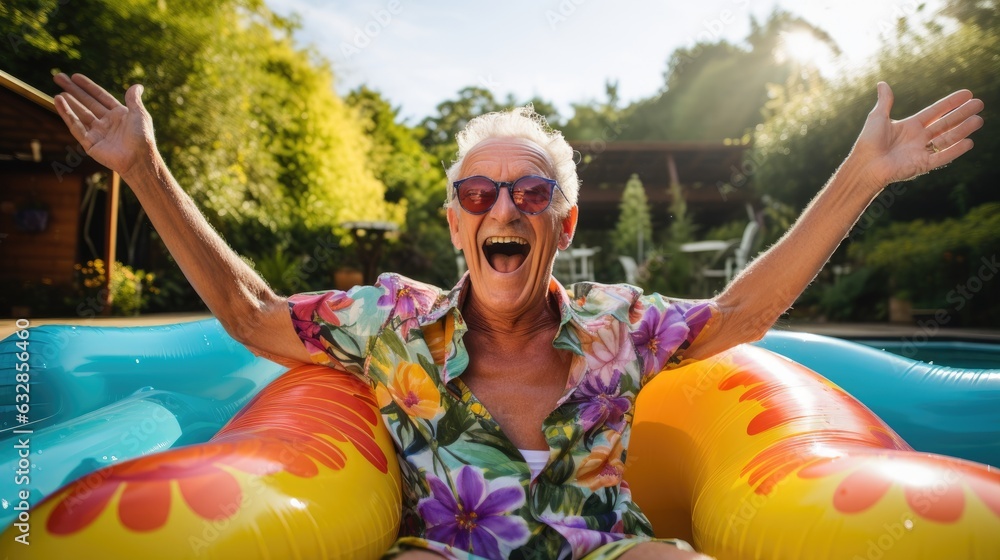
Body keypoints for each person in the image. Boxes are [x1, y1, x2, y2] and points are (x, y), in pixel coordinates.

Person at [52, 72, 983, 559]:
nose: (505, 207)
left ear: (562, 224)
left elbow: (743, 312)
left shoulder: (620, 325)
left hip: (610, 552)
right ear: (456, 222)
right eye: (479, 193)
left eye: (531, 193)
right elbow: (251, 312)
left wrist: (863, 175)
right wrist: (143, 167)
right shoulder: (391, 325)